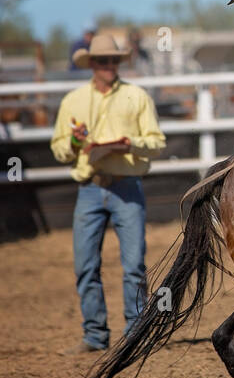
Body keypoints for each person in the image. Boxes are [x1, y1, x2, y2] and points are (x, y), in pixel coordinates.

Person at [50, 34, 167, 354]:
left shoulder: (136, 97)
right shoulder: (72, 101)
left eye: (113, 61)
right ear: (92, 65)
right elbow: (60, 149)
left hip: (125, 184)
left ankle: (133, 332)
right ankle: (95, 334)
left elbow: (156, 142)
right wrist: (75, 144)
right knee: (86, 265)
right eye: (103, 61)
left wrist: (129, 143)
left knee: (133, 265)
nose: (109, 66)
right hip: (91, 187)